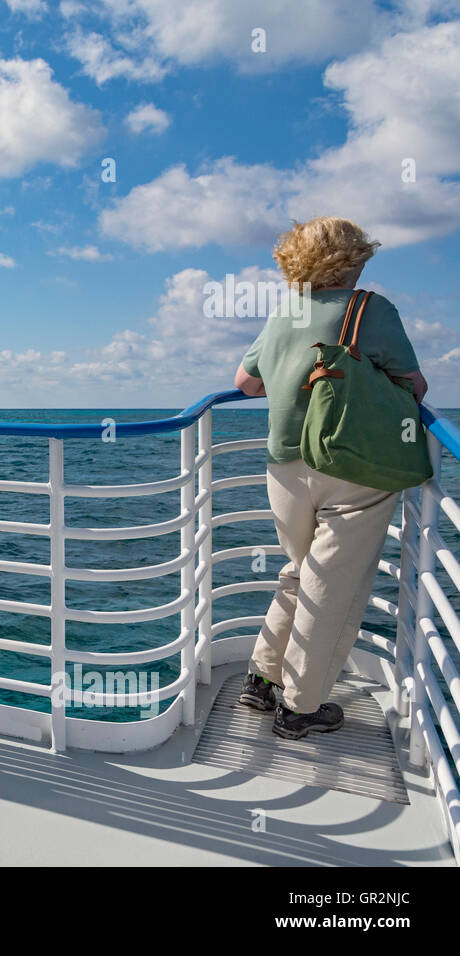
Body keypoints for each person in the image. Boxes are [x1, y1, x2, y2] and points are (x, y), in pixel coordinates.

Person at [233, 216, 428, 740]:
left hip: (285, 470)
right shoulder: (372, 309)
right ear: (354, 260)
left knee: (302, 571)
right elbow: (415, 384)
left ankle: (261, 677)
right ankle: (300, 708)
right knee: (330, 589)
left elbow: (246, 383)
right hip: (351, 466)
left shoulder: (285, 311)